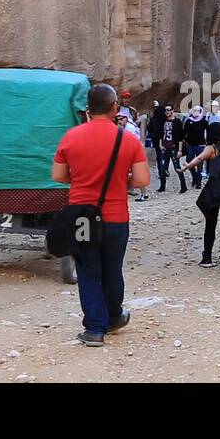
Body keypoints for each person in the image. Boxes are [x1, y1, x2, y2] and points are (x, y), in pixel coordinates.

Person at [51, 84, 151, 347]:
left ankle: (94, 329)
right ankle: (114, 317)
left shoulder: (71, 137)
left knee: (87, 270)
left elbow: (58, 176)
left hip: (83, 217)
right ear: (115, 107)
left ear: (88, 109)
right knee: (112, 269)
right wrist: (121, 181)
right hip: (116, 217)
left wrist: (83, 179)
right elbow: (142, 180)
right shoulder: (128, 139)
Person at [181, 122, 220, 268]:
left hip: (214, 189)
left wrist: (187, 166)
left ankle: (207, 257)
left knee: (210, 225)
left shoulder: (211, 148)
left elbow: (199, 159)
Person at [116, 113, 148, 201]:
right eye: (118, 119)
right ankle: (142, 193)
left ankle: (143, 193)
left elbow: (132, 142)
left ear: (125, 118)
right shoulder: (125, 127)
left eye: (121, 118)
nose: (119, 121)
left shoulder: (129, 129)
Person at [156, 104, 187, 193]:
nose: (167, 112)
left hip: (174, 147)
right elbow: (160, 134)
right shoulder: (163, 121)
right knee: (162, 167)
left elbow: (180, 137)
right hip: (164, 147)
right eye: (166, 110)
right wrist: (160, 145)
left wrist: (180, 150)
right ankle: (162, 186)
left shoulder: (177, 122)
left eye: (169, 110)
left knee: (176, 166)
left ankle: (183, 186)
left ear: (173, 110)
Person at [182, 106, 209, 189]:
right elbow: (184, 132)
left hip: (200, 145)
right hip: (190, 145)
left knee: (200, 164)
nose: (196, 112)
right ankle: (195, 176)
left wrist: (207, 141)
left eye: (198, 110)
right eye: (195, 110)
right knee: (189, 161)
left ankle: (199, 182)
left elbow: (207, 131)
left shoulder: (204, 121)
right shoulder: (188, 120)